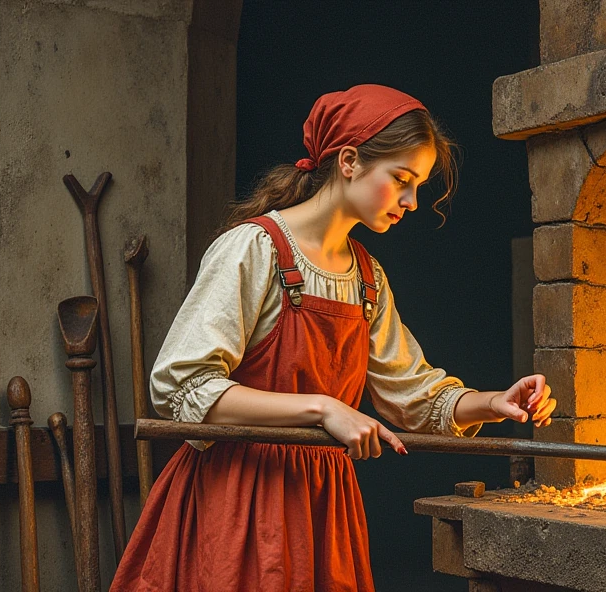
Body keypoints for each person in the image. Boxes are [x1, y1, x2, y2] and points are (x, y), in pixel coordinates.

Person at [110, 84, 556, 592]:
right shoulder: (253, 249)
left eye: (419, 186)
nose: (411, 201)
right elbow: (182, 386)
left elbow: (416, 398)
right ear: (348, 160)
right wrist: (322, 409)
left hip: (323, 512)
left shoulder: (367, 278)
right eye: (402, 180)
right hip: (236, 504)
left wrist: (494, 403)